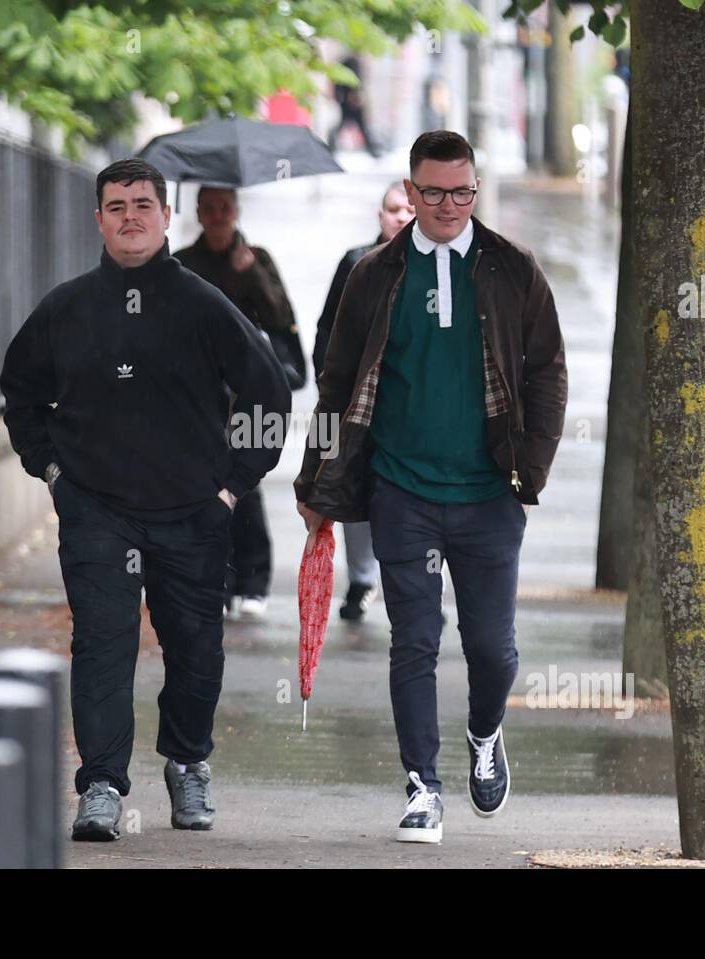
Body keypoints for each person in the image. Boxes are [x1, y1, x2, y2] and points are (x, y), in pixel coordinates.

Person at [0, 158, 291, 842]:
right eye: (116, 205)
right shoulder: (67, 308)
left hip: (192, 510)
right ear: (97, 219)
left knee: (195, 648)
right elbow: (20, 391)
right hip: (96, 507)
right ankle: (100, 784)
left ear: (166, 216)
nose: (130, 216)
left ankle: (188, 762)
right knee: (103, 643)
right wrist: (51, 472)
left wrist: (230, 485)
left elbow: (268, 395)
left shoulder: (203, 305)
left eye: (142, 204)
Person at [294, 131, 567, 843]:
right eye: (435, 191)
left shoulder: (511, 269)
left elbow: (547, 371)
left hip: (487, 494)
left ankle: (484, 733)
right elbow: (337, 382)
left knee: (492, 649)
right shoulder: (375, 275)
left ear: (477, 189)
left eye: (463, 191)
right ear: (410, 193)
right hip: (401, 490)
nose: (450, 205)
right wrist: (312, 477)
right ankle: (422, 786)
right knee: (413, 639)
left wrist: (530, 467)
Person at [175, 186, 302, 621]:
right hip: (200, 393)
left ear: (236, 211)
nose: (217, 215)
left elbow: (282, 318)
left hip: (250, 392)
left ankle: (253, 582)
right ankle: (219, 583)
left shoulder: (256, 259)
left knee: (246, 484)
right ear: (198, 213)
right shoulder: (183, 262)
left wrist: (252, 275)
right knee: (205, 485)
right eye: (209, 208)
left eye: (225, 208)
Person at [313, 181, 414, 622]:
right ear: (380, 215)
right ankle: (361, 579)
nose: (401, 218)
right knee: (356, 488)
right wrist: (331, 385)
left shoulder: (439, 267)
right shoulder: (357, 264)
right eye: (394, 210)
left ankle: (411, 581)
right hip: (359, 401)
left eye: (409, 210)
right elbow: (327, 329)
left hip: (411, 406)